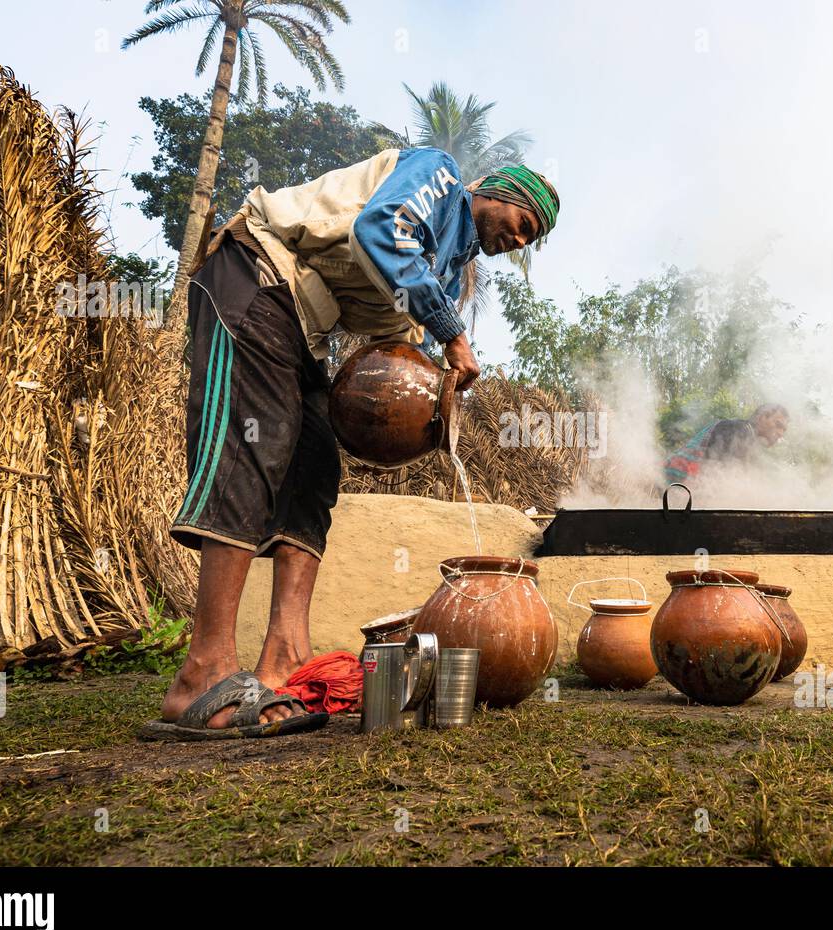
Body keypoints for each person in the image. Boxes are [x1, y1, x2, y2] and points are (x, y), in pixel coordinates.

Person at [139, 149, 560, 740]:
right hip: (255, 277)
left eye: (531, 239)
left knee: (312, 467)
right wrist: (454, 336)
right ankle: (201, 674)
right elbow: (380, 228)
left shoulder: (446, 265)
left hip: (299, 324)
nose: (520, 240)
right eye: (523, 224)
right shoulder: (438, 176)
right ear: (496, 193)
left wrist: (429, 401)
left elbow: (391, 345)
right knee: (253, 449)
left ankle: (285, 660)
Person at [661, 404, 789, 489]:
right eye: (778, 425)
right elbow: (718, 476)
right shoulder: (739, 430)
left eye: (784, 430)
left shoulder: (746, 435)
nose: (780, 433)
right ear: (762, 417)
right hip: (669, 490)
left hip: (676, 491)